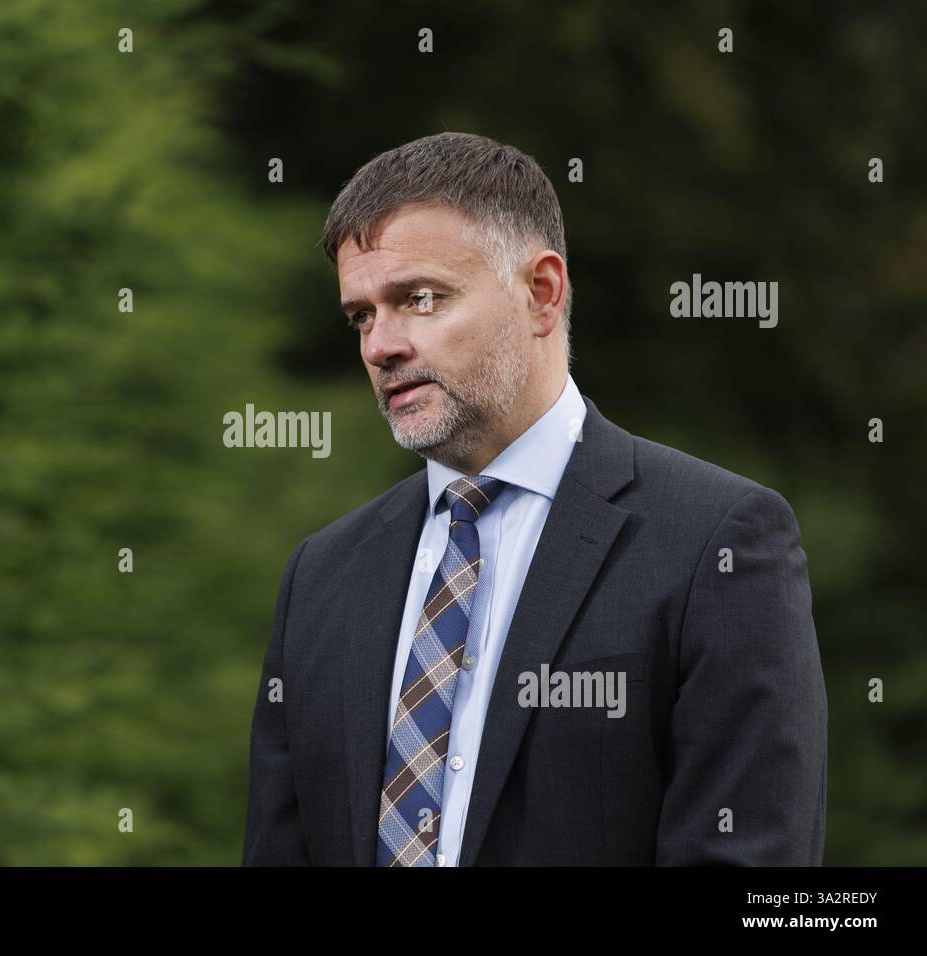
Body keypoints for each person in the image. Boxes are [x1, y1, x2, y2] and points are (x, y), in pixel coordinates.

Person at [241, 132, 827, 866]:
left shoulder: (717, 540)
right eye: (361, 315)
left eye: (420, 299)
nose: (379, 346)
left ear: (541, 293)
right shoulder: (321, 575)